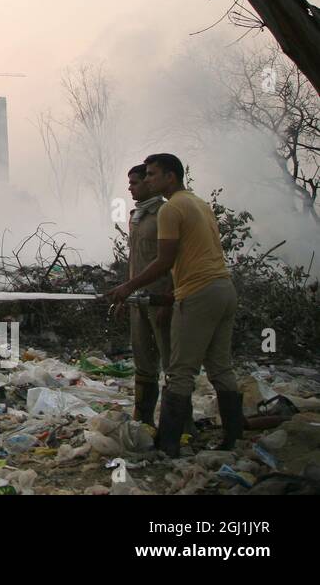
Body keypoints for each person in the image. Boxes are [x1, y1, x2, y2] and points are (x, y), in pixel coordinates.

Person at [106, 153, 242, 457]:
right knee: (220, 367)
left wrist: (128, 287)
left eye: (152, 175)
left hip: (197, 292)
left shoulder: (170, 210)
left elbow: (165, 261)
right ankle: (234, 438)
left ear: (170, 177)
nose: (148, 179)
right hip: (223, 289)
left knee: (179, 370)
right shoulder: (200, 204)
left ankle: (168, 444)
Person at [118, 164, 173, 426]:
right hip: (138, 299)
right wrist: (126, 293)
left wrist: (169, 299)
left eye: (136, 182)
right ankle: (144, 421)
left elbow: (174, 261)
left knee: (172, 366)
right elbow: (135, 260)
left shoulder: (165, 214)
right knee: (143, 363)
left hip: (161, 298)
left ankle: (178, 426)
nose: (130, 187)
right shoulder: (136, 216)